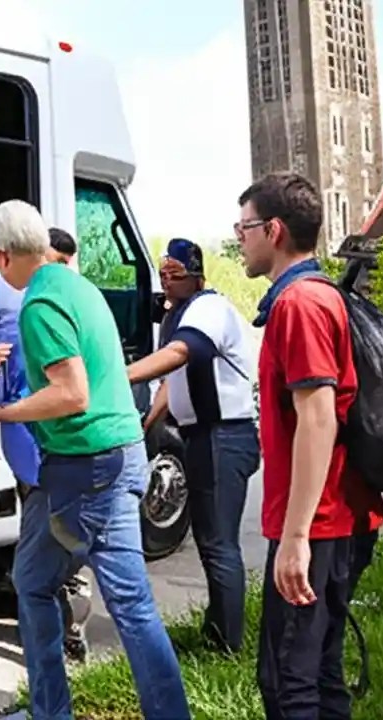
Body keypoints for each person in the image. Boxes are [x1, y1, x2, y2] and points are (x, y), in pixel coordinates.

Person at [0, 200, 190, 720]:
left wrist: (0, 413)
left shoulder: (39, 306)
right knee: (34, 581)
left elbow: (71, 394)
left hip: (89, 469)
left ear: (0, 257)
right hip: (108, 456)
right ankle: (49, 711)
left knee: (127, 606)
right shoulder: (77, 286)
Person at [236, 172, 383, 719]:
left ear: (273, 230)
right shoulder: (321, 295)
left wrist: (296, 537)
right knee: (321, 674)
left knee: (287, 680)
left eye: (245, 226)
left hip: (318, 523)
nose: (240, 238)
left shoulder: (299, 304)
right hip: (336, 517)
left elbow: (318, 417)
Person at [125, 237, 261, 654]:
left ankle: (226, 645)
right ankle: (216, 630)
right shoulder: (179, 316)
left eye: (176, 274)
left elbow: (182, 355)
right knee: (207, 539)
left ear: (197, 276)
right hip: (203, 435)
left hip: (225, 434)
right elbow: (172, 381)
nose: (167, 281)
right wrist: (147, 425)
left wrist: (117, 374)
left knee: (219, 543)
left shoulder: (208, 308)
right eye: (163, 273)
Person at [0, 227, 92, 667]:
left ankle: (64, 635)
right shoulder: (49, 310)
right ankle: (61, 631)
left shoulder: (39, 311)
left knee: (61, 545)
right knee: (53, 543)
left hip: (48, 454)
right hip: (36, 454)